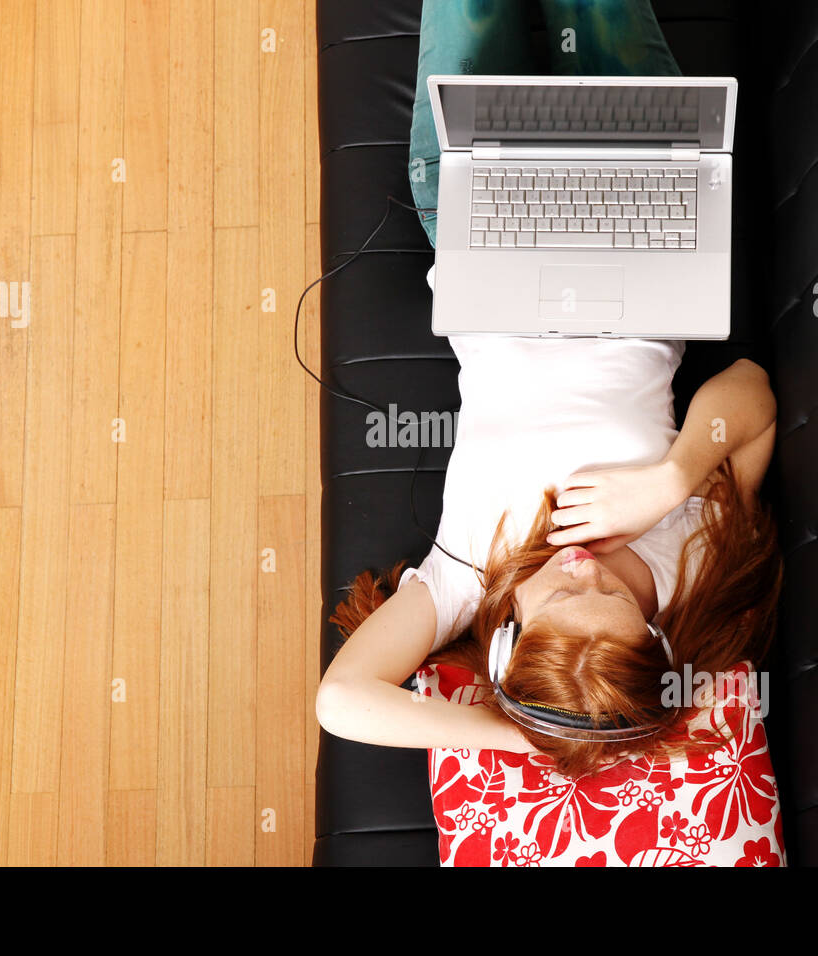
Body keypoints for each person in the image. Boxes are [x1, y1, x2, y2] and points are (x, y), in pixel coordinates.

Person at [316, 0, 782, 779]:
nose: (580, 567)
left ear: (505, 643)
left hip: (478, 207)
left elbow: (342, 701)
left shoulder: (466, 578)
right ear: (655, 635)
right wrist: (671, 481)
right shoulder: (687, 565)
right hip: (639, 215)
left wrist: (527, 738)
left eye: (561, 600)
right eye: (610, 596)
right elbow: (752, 392)